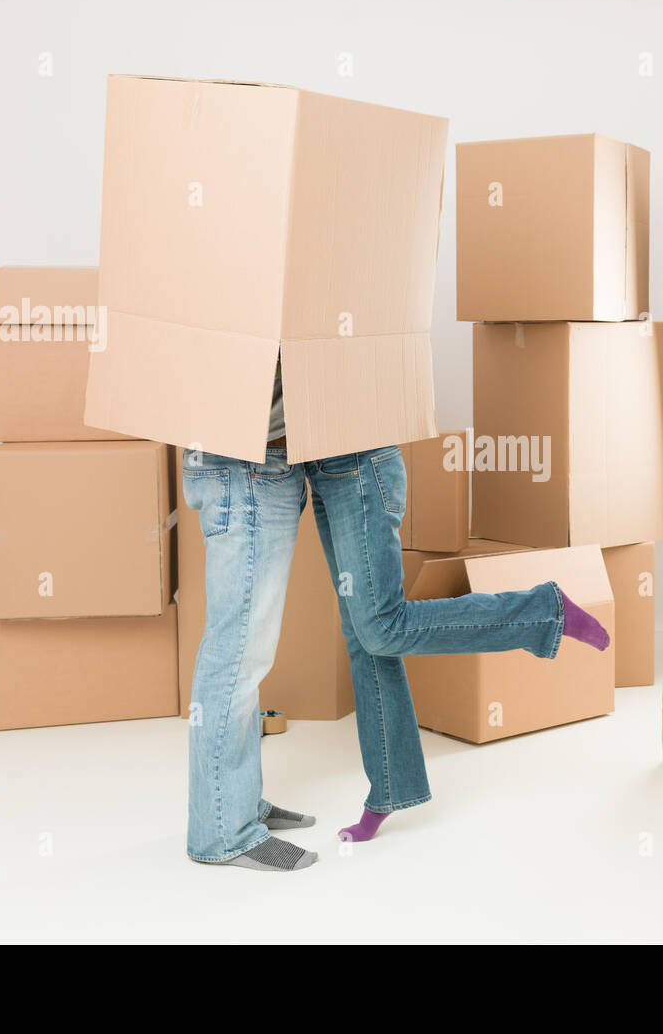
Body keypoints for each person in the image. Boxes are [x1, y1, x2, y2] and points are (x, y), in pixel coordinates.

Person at [182, 360, 609, 871]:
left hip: (343, 462)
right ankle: (360, 795)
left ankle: (542, 612)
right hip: (294, 465)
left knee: (376, 629)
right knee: (334, 639)